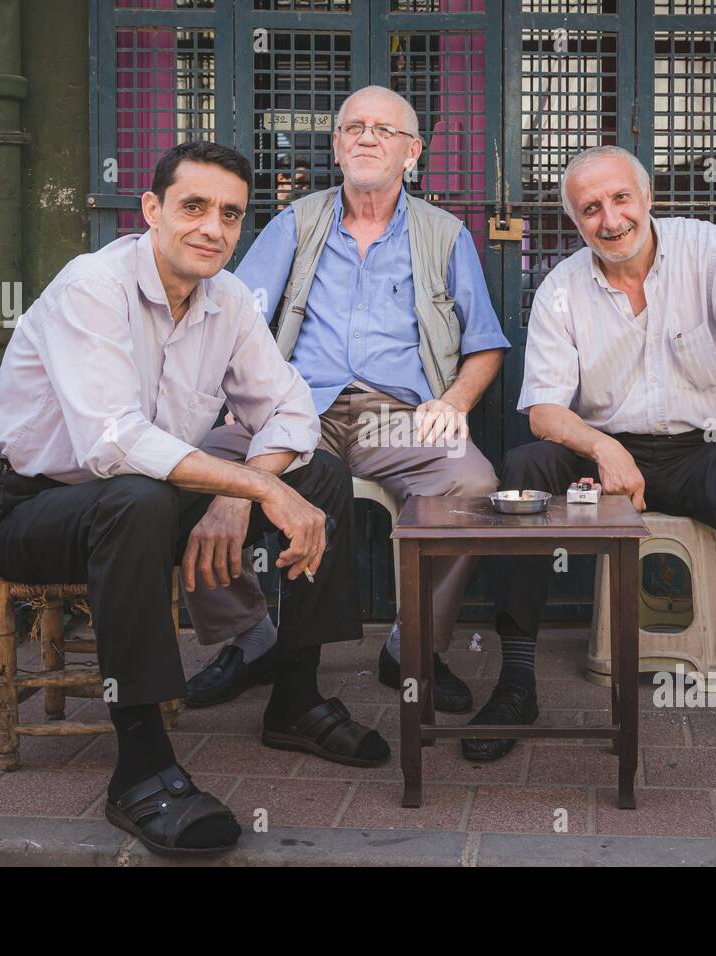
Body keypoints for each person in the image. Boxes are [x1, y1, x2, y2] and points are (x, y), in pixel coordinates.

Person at [0, 141, 390, 857]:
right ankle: (140, 765)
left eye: (230, 214)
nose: (212, 228)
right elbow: (114, 444)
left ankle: (295, 698)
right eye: (193, 207)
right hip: (37, 510)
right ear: (151, 211)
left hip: (153, 497)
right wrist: (255, 485)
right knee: (135, 498)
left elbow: (290, 409)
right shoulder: (91, 287)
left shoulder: (227, 299)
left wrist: (237, 500)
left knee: (317, 475)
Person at [475, 145, 716, 782]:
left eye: (620, 199)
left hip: (703, 449)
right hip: (606, 456)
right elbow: (542, 410)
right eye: (590, 208)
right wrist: (602, 446)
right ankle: (515, 676)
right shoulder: (562, 288)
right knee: (524, 468)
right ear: (576, 221)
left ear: (646, 200)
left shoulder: (703, 248)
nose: (609, 218)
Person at [183, 85, 510, 715]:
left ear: (412, 152)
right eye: (354, 127)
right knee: (194, 470)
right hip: (293, 412)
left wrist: (456, 402)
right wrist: (231, 395)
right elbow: (233, 314)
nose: (366, 137)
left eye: (384, 130)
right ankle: (252, 642)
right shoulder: (295, 222)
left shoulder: (445, 235)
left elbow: (486, 343)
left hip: (399, 417)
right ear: (336, 145)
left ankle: (410, 646)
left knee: (473, 487)